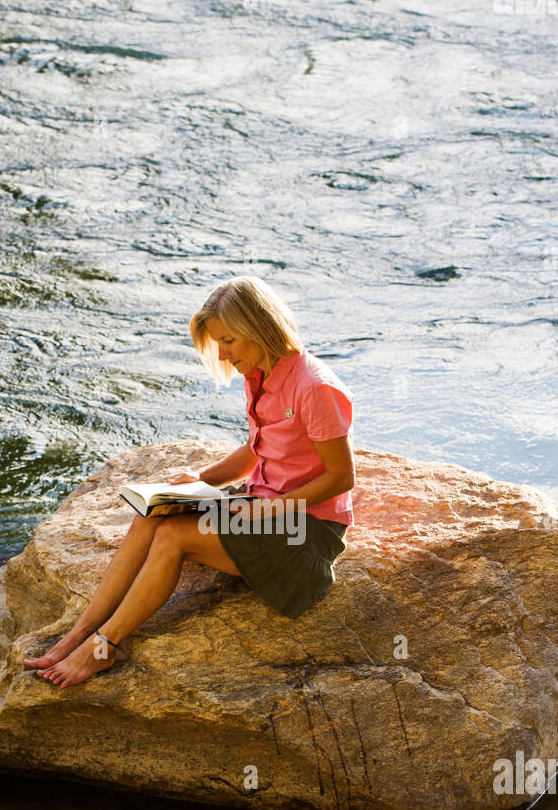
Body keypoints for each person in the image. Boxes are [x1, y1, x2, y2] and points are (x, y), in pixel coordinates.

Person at [25, 276, 355, 687]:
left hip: (304, 530)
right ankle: (76, 635)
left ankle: (100, 650)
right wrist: (201, 479)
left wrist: (269, 509)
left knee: (174, 536)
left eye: (229, 340)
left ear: (260, 327)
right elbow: (258, 448)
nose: (222, 352)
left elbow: (341, 478)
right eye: (218, 341)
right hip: (258, 506)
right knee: (153, 514)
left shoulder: (315, 387)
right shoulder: (263, 375)